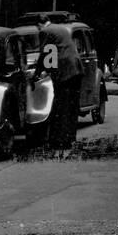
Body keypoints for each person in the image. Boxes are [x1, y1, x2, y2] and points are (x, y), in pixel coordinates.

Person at [32, 21, 83, 158]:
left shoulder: (45, 31)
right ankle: (70, 138)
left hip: (65, 71)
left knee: (61, 106)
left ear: (40, 25)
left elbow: (46, 53)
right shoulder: (61, 28)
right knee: (72, 106)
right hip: (76, 68)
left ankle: (60, 141)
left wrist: (37, 74)